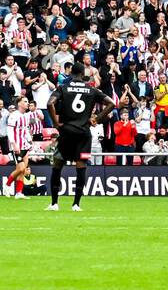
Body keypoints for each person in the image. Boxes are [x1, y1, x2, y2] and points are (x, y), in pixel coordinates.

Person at [47, 64, 111, 212]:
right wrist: (97, 118)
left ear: (70, 72)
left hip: (66, 132)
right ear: (83, 74)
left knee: (57, 164)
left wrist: (56, 123)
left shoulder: (63, 87)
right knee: (81, 166)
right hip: (84, 135)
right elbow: (112, 103)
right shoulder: (92, 89)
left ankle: (54, 203)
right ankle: (76, 204)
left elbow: (50, 103)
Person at [4, 99, 43, 199]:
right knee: (20, 168)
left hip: (25, 145)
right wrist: (13, 143)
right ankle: (7, 185)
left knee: (23, 170)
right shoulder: (14, 115)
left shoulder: (25, 116)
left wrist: (30, 141)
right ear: (19, 103)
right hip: (16, 146)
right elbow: (9, 130)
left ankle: (18, 193)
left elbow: (25, 130)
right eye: (25, 101)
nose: (27, 103)